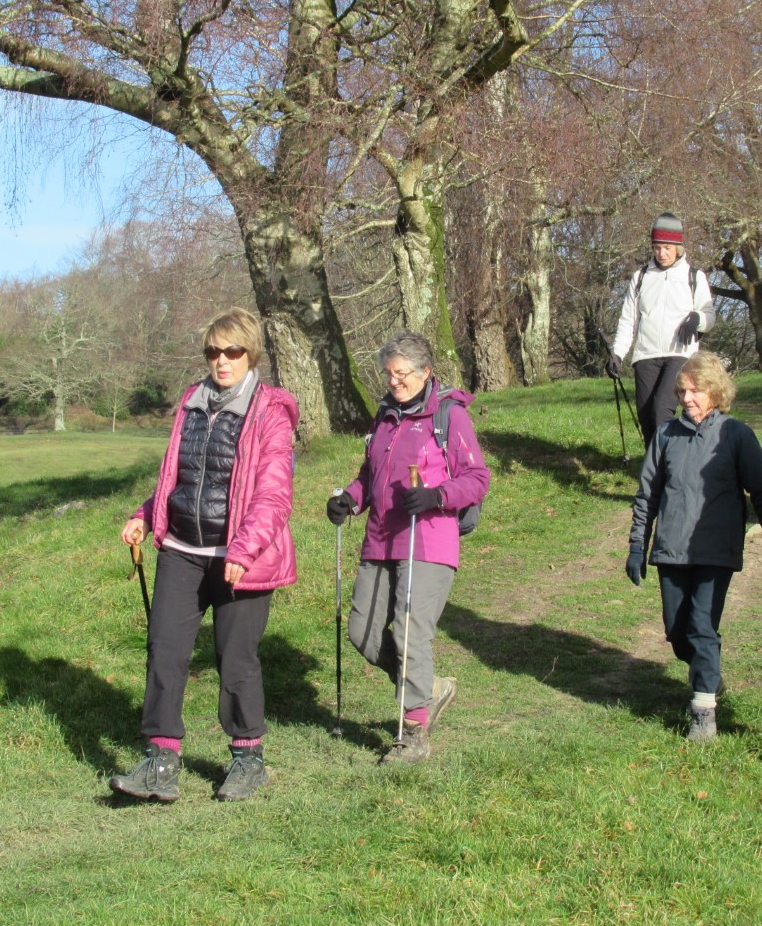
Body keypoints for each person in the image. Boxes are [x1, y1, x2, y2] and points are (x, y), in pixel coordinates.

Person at [109, 308, 299, 803]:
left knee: (235, 659)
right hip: (182, 551)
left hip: (242, 556)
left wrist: (243, 546)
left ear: (250, 353)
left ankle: (247, 759)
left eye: (232, 351)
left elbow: (274, 495)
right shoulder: (190, 404)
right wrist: (146, 514)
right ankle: (160, 759)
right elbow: (182, 477)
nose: (221, 361)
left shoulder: (270, 410)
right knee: (164, 654)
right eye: (213, 351)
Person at [326, 332, 490, 763]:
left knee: (409, 633)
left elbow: (477, 478)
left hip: (429, 538)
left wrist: (437, 496)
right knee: (362, 632)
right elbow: (370, 473)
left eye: (401, 375)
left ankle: (414, 731)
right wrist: (349, 498)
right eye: (389, 374)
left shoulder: (450, 416)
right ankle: (429, 687)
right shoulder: (385, 414)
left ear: (425, 372)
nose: (393, 382)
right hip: (380, 537)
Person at [626, 352, 762, 743]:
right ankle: (709, 674)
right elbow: (646, 495)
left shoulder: (736, 435)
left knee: (701, 627)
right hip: (671, 551)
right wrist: (637, 545)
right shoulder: (666, 435)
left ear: (716, 392)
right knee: (678, 634)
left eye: (695, 391)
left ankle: (703, 713)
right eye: (683, 391)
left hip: (716, 551)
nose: (687, 398)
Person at [607, 212, 717, 445]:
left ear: (678, 247)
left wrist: (696, 319)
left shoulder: (694, 276)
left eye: (667, 247)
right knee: (646, 417)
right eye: (657, 247)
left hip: (681, 355)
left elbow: (709, 315)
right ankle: (654, 466)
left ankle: (667, 467)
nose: (662, 253)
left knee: (661, 411)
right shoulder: (640, 277)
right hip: (646, 355)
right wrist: (617, 354)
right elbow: (628, 320)